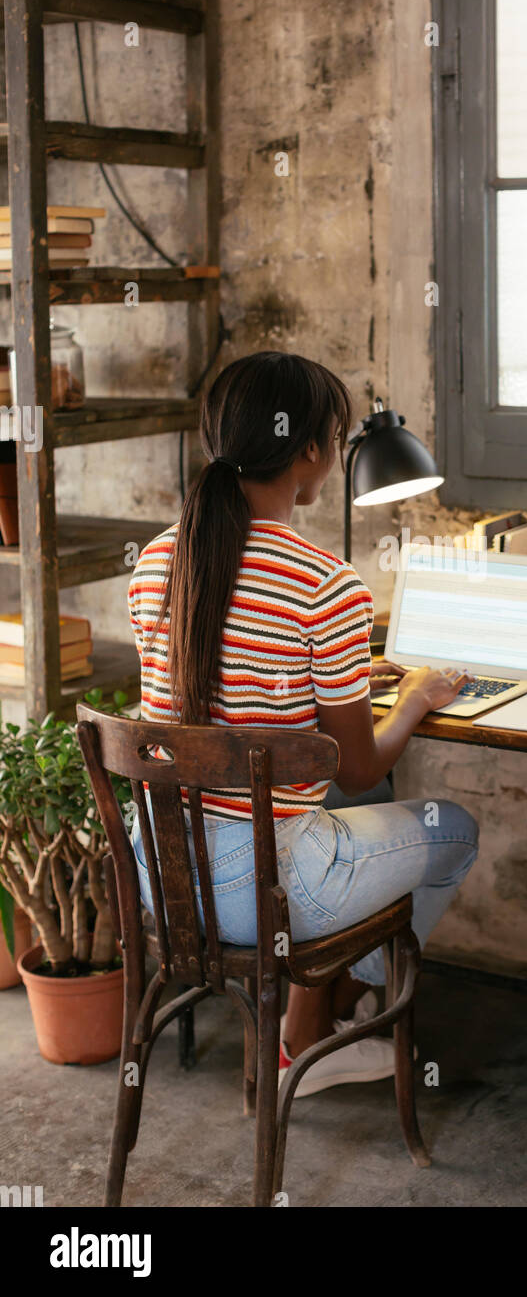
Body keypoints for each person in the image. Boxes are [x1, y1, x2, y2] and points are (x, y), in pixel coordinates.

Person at [128, 352, 479, 1095]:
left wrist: (341, 683)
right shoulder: (325, 583)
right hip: (268, 890)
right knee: (453, 828)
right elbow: (357, 766)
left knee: (358, 813)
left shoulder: (156, 561)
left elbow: (212, 698)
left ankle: (311, 1034)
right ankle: (332, 1022)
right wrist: (414, 695)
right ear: (313, 451)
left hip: (167, 877)